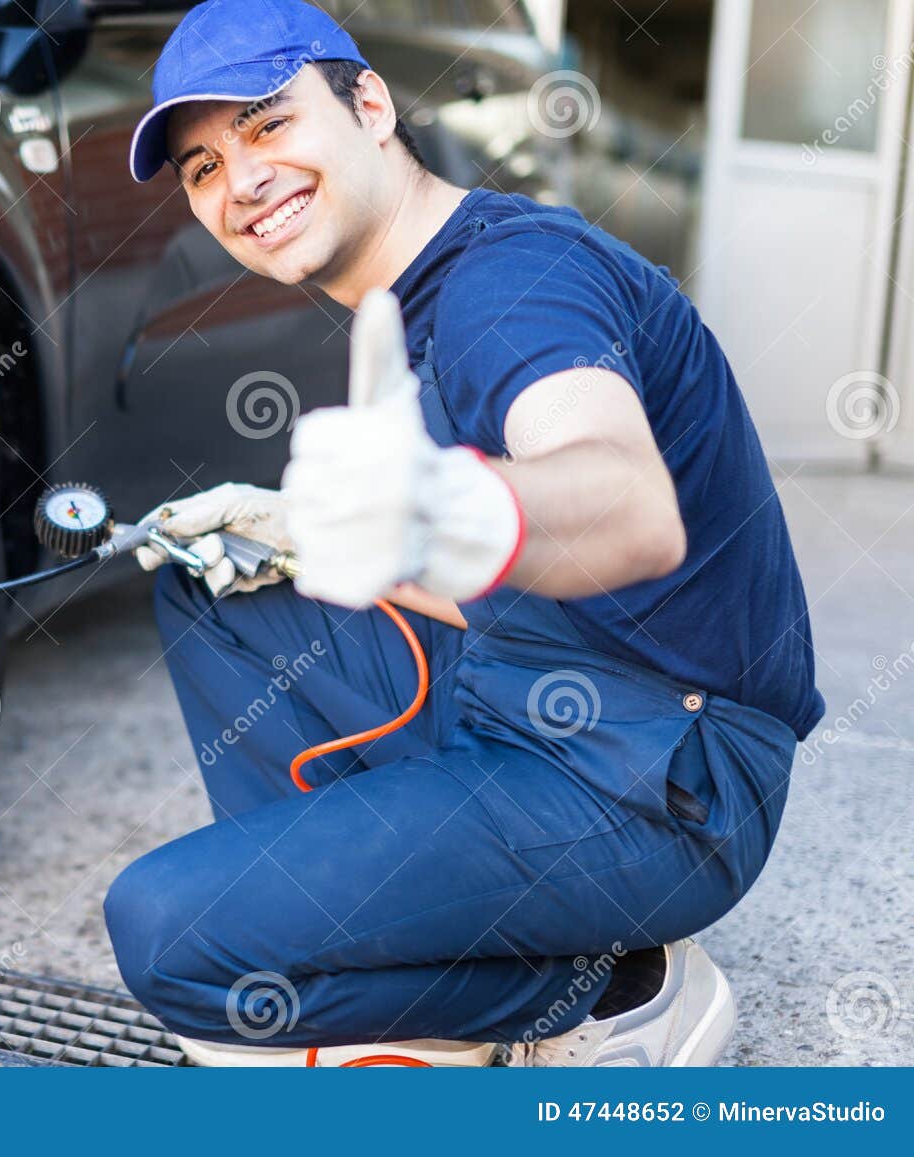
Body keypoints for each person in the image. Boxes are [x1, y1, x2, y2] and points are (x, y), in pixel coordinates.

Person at [101, 0, 823, 1067]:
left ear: (372, 106)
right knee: (219, 587)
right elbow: (544, 583)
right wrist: (300, 535)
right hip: (547, 683)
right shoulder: (422, 284)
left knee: (171, 939)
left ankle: (604, 989)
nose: (239, 180)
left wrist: (452, 508)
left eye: (266, 124)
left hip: (663, 778)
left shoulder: (510, 283)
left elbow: (625, 501)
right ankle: (401, 954)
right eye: (201, 167)